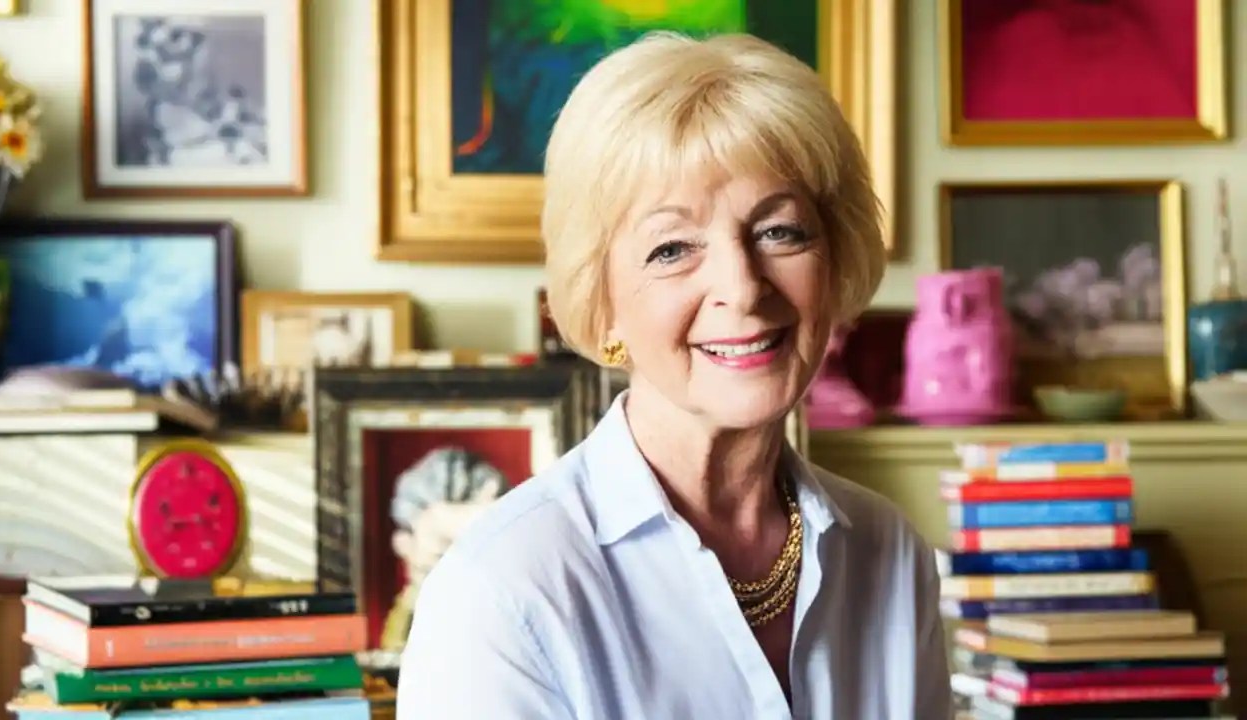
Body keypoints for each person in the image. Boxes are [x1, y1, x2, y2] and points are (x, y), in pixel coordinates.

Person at [396, 31, 951, 719]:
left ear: (833, 262)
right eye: (672, 249)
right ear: (602, 303)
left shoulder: (891, 553)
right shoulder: (505, 591)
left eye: (779, 231)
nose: (743, 288)